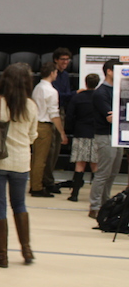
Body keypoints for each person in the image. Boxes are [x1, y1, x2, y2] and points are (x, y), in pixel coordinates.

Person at [0, 63, 39, 268]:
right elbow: (33, 135)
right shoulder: (31, 105)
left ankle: (2, 255)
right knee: (20, 205)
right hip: (22, 162)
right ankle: (26, 249)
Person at [29, 62, 69, 197]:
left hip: (36, 123)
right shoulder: (51, 91)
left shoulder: (37, 87)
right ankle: (37, 187)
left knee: (36, 158)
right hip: (45, 125)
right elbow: (54, 114)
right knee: (41, 158)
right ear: (52, 73)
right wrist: (61, 132)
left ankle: (35, 184)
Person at [89, 59, 122, 220]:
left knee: (113, 172)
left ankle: (105, 202)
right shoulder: (101, 92)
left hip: (118, 135)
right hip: (105, 135)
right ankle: (94, 206)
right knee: (103, 172)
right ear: (109, 71)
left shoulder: (118, 90)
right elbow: (110, 117)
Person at [45, 48, 75, 193]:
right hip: (52, 111)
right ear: (56, 59)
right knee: (50, 148)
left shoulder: (65, 75)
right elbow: (60, 95)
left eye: (67, 60)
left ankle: (49, 178)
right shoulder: (52, 76)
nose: (65, 62)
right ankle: (47, 180)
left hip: (61, 109)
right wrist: (74, 94)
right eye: (63, 59)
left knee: (56, 149)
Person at [66, 73, 100, 202]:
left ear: (85, 83)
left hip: (81, 132)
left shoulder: (77, 98)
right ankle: (96, 195)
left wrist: (72, 128)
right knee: (95, 166)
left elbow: (70, 115)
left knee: (80, 164)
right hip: (95, 133)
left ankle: (74, 194)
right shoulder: (99, 97)